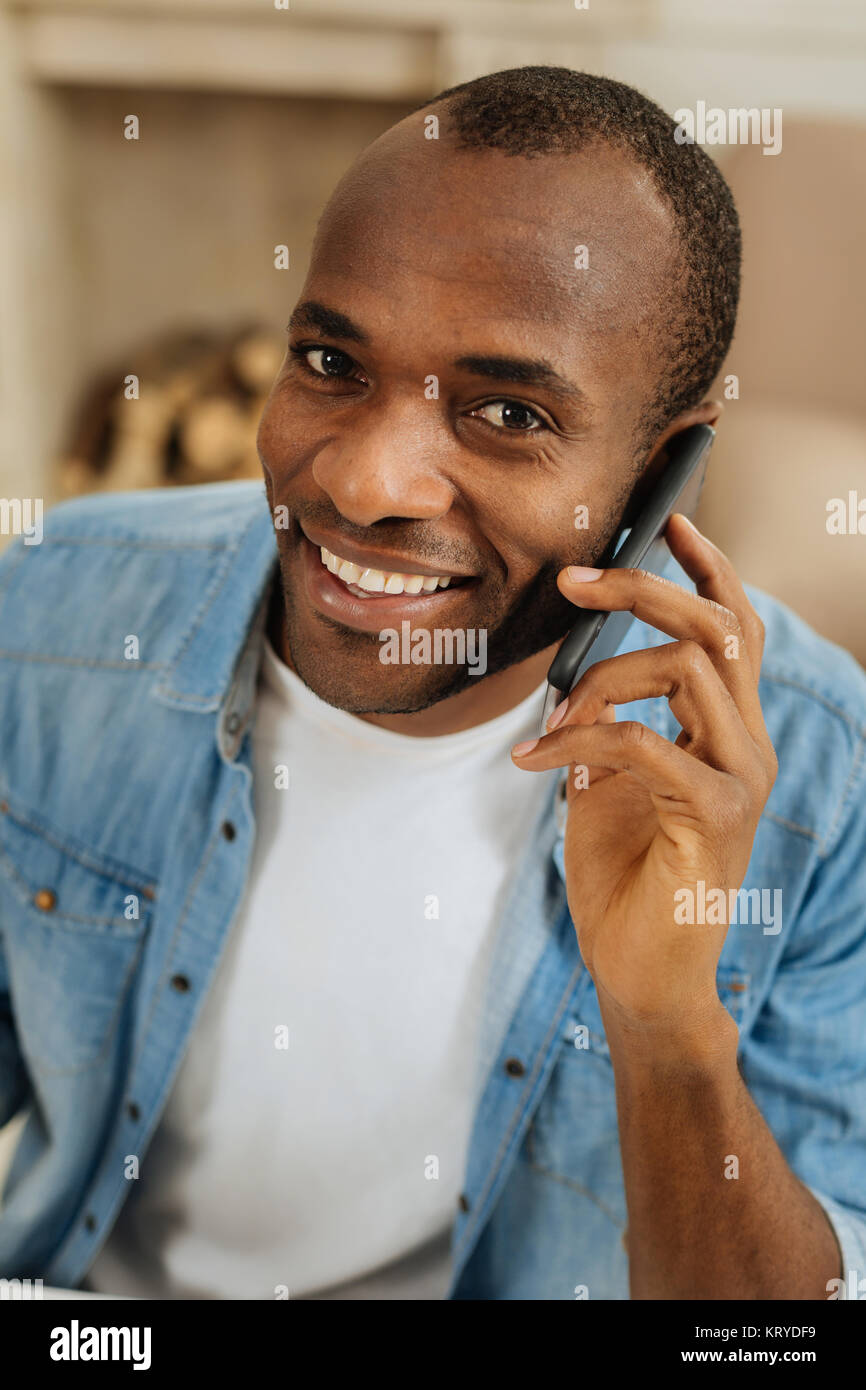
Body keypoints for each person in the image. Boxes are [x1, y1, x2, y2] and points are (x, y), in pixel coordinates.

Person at [0, 67, 863, 1301]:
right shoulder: (53, 619)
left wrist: (667, 1029)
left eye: (506, 411)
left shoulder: (816, 782)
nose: (364, 483)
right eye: (329, 363)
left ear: (661, 469)